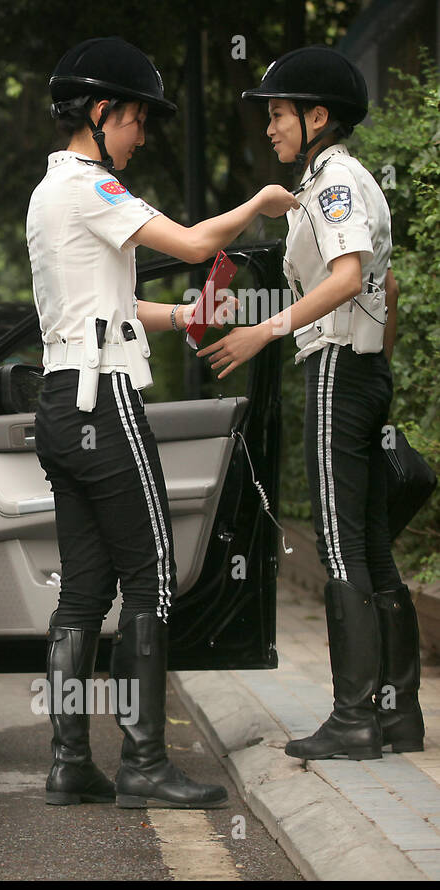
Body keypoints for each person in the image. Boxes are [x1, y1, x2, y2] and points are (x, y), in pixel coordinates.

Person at [28, 36, 299, 808]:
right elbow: (187, 242)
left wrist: (182, 315)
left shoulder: (52, 194)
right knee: (152, 576)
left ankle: (68, 762)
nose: (141, 136)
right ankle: (145, 764)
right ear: (102, 112)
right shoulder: (91, 187)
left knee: (83, 593)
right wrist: (259, 204)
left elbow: (105, 303)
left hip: (61, 403)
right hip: (105, 401)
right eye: (137, 120)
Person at [198, 47, 421, 760]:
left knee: (338, 542)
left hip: (335, 368)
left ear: (317, 117)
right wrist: (375, 376)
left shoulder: (334, 182)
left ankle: (354, 719)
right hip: (359, 370)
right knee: (367, 545)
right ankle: (396, 715)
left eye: (278, 113)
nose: (269, 128)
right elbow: (387, 293)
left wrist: (265, 330)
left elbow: (351, 277)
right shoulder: (343, 182)